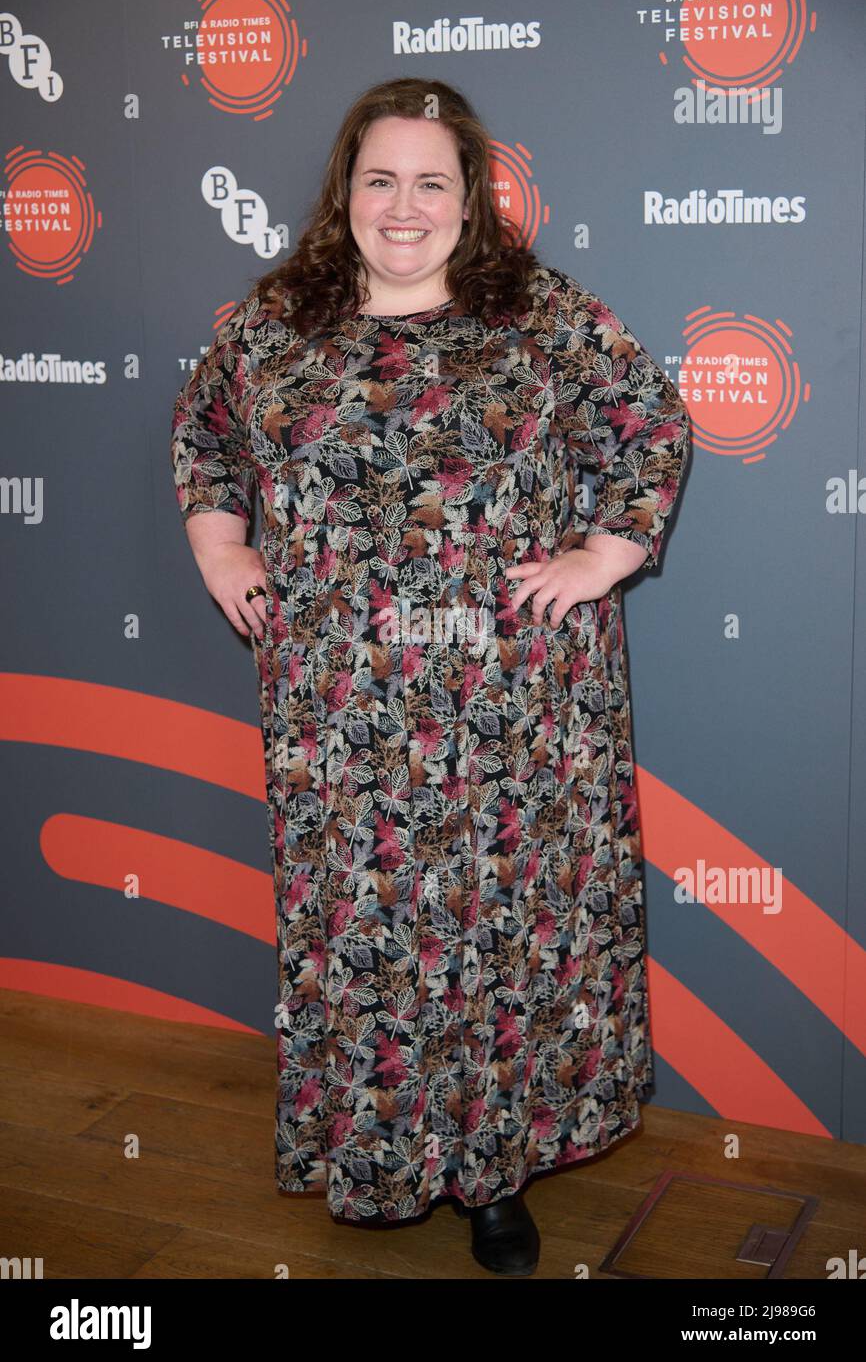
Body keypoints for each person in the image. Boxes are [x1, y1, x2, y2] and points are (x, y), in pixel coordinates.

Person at [169, 75, 690, 1277]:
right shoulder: (272, 322)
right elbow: (203, 432)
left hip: (516, 706)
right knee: (368, 937)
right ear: (344, 189)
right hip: (340, 710)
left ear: (472, 198)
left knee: (504, 939)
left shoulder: (538, 314)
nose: (403, 206)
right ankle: (382, 1156)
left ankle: (494, 1176)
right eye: (380, 179)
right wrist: (220, 540)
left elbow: (650, 422)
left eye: (432, 182)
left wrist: (603, 555)